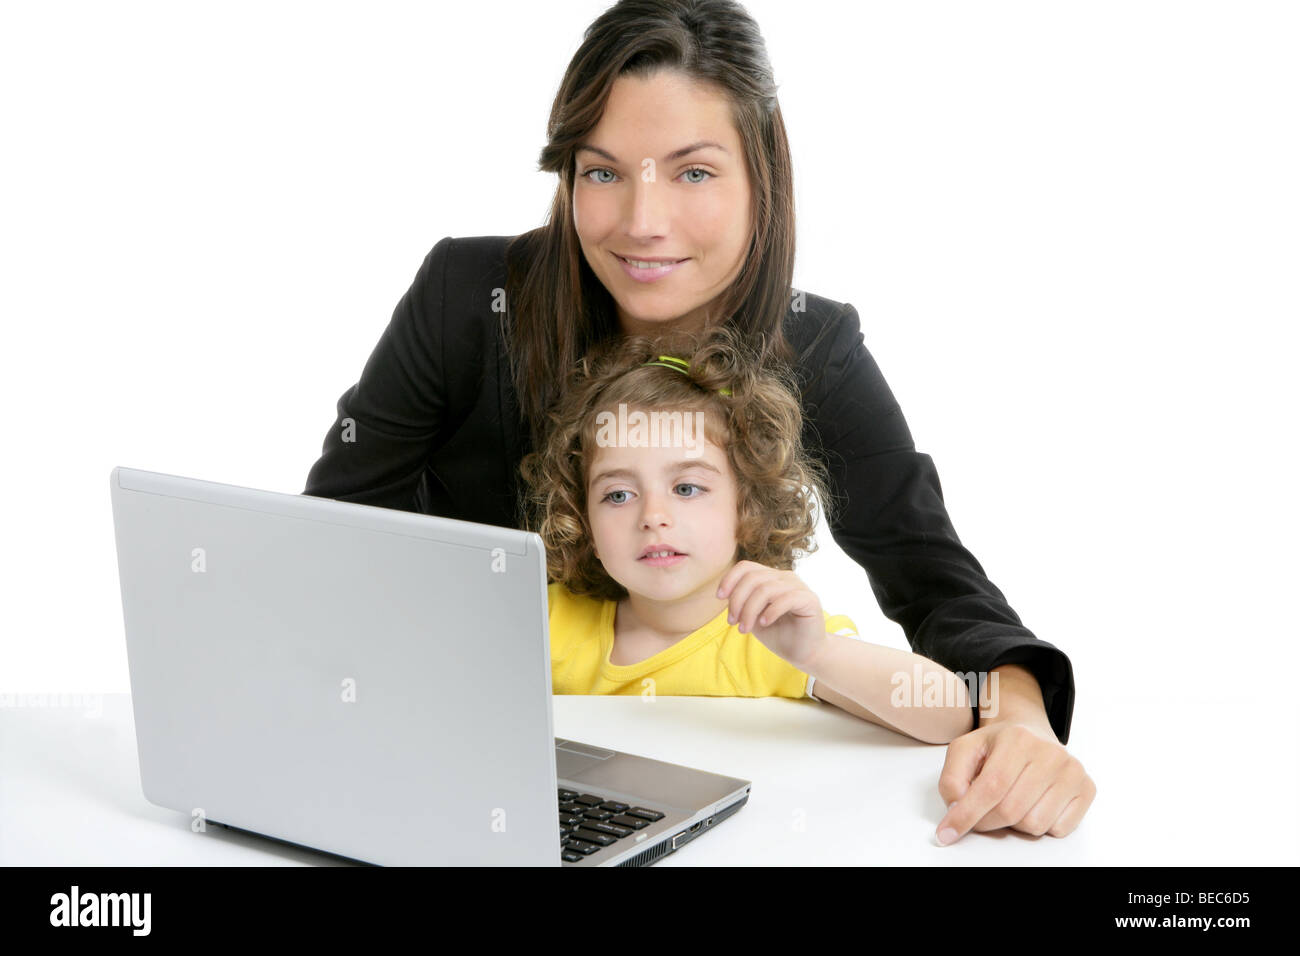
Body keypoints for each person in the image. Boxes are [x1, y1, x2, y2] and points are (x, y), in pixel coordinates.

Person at [302, 0, 1096, 843]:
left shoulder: (814, 343)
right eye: (603, 172)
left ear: (763, 180)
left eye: (693, 172)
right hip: (451, 760)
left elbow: (933, 572)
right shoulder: (467, 296)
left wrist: (1017, 721)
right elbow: (333, 536)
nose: (643, 223)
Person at [523, 325, 976, 745]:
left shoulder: (772, 634)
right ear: (582, 519)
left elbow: (952, 714)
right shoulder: (543, 624)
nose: (653, 516)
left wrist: (818, 653)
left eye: (686, 488)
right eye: (618, 495)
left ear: (747, 505)